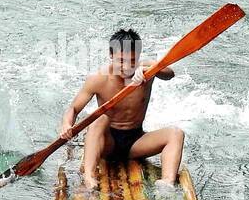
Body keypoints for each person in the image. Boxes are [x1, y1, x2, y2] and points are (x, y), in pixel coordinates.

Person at [59, 29, 184, 189]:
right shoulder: (98, 79)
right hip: (107, 143)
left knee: (176, 133)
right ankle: (89, 176)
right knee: (98, 118)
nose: (126, 67)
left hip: (136, 143)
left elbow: (169, 74)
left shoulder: (148, 70)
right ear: (111, 55)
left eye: (132, 61)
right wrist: (66, 125)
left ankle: (167, 183)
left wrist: (148, 69)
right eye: (121, 61)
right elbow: (73, 108)